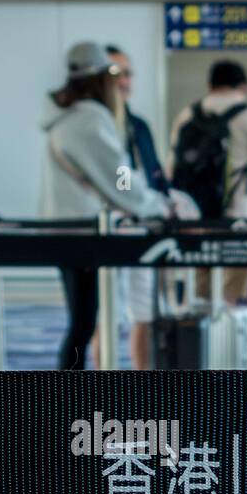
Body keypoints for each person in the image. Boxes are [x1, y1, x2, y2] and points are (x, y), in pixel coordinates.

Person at [40, 41, 173, 369]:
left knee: (84, 322)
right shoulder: (89, 121)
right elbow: (121, 183)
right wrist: (159, 205)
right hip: (82, 235)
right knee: (86, 323)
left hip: (66, 231)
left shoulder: (64, 118)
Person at [169, 59, 247, 304]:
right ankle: (225, 337)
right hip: (234, 220)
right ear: (244, 87)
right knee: (229, 298)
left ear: (209, 85)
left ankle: (196, 337)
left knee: (197, 296)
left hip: (192, 222)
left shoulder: (186, 115)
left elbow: (170, 169)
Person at [104, 44, 168, 369]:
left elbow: (155, 175)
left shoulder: (138, 126)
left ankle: (141, 381)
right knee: (106, 313)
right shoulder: (95, 127)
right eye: (116, 73)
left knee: (144, 310)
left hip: (142, 228)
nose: (124, 81)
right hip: (105, 230)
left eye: (128, 73)